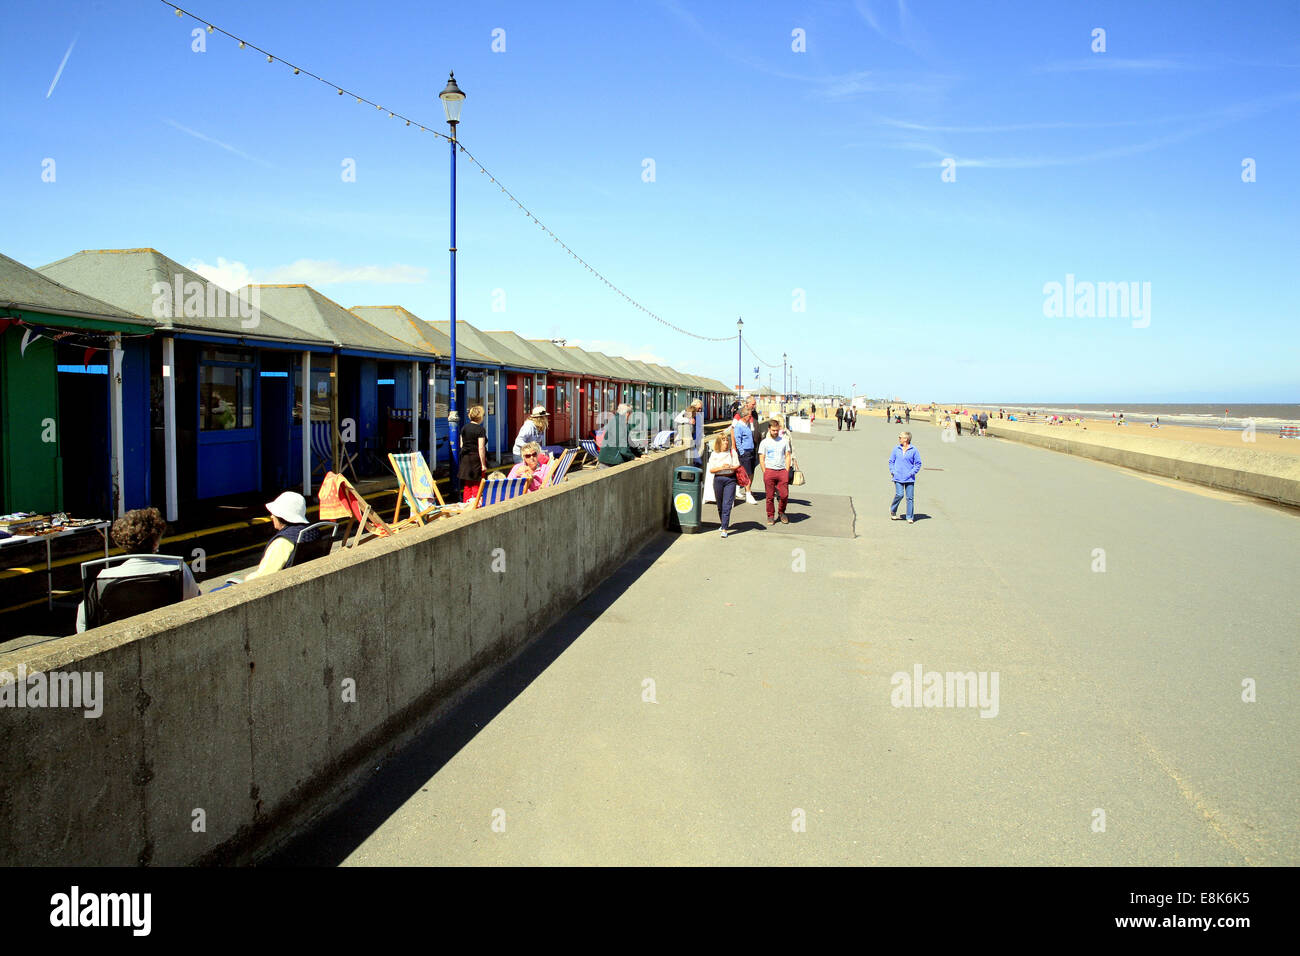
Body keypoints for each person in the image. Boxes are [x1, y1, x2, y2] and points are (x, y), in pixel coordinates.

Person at [76, 507, 200, 632]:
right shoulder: (178, 569)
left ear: (122, 543)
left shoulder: (104, 579)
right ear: (156, 541)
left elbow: (84, 622)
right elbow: (194, 605)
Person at [757, 417, 793, 525]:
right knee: (769, 496)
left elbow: (787, 455)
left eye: (777, 430)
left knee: (784, 495)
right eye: (773, 430)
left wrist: (786, 470)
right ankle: (770, 516)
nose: (775, 432)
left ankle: (782, 512)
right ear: (769, 429)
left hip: (782, 471)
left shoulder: (784, 441)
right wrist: (765, 471)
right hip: (769, 471)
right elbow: (761, 458)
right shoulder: (764, 442)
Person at [707, 431, 740, 538]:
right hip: (718, 479)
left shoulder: (732, 452)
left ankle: (725, 528)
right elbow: (712, 470)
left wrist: (729, 467)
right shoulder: (714, 454)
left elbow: (737, 466)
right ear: (719, 442)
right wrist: (721, 467)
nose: (726, 442)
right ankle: (723, 523)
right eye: (723, 440)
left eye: (727, 440)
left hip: (730, 479)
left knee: (727, 505)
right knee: (720, 505)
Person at [889, 431, 922, 523]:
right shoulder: (896, 449)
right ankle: (893, 509)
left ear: (906, 439)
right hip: (898, 476)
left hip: (909, 478)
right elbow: (891, 461)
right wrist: (893, 471)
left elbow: (918, 463)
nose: (899, 438)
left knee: (910, 497)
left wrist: (912, 472)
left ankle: (909, 516)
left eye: (900, 437)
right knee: (899, 494)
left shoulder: (914, 450)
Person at [458, 405, 489, 503]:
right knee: (477, 485)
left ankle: (466, 504)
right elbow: (481, 448)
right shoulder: (480, 430)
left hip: (465, 458)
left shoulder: (464, 428)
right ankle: (476, 504)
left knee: (467, 485)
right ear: (480, 417)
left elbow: (461, 444)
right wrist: (483, 464)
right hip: (476, 459)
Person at [597, 403, 642, 469]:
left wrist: (640, 454)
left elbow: (629, 442)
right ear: (627, 414)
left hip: (608, 460)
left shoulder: (618, 420)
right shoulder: (619, 423)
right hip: (611, 462)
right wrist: (633, 457)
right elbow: (623, 447)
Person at [731, 402, 759, 505]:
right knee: (746, 474)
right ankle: (748, 494)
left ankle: (747, 492)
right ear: (744, 416)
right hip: (745, 452)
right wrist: (741, 452)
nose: (750, 418)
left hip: (750, 450)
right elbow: (737, 440)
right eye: (749, 416)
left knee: (750, 472)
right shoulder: (739, 426)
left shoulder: (747, 425)